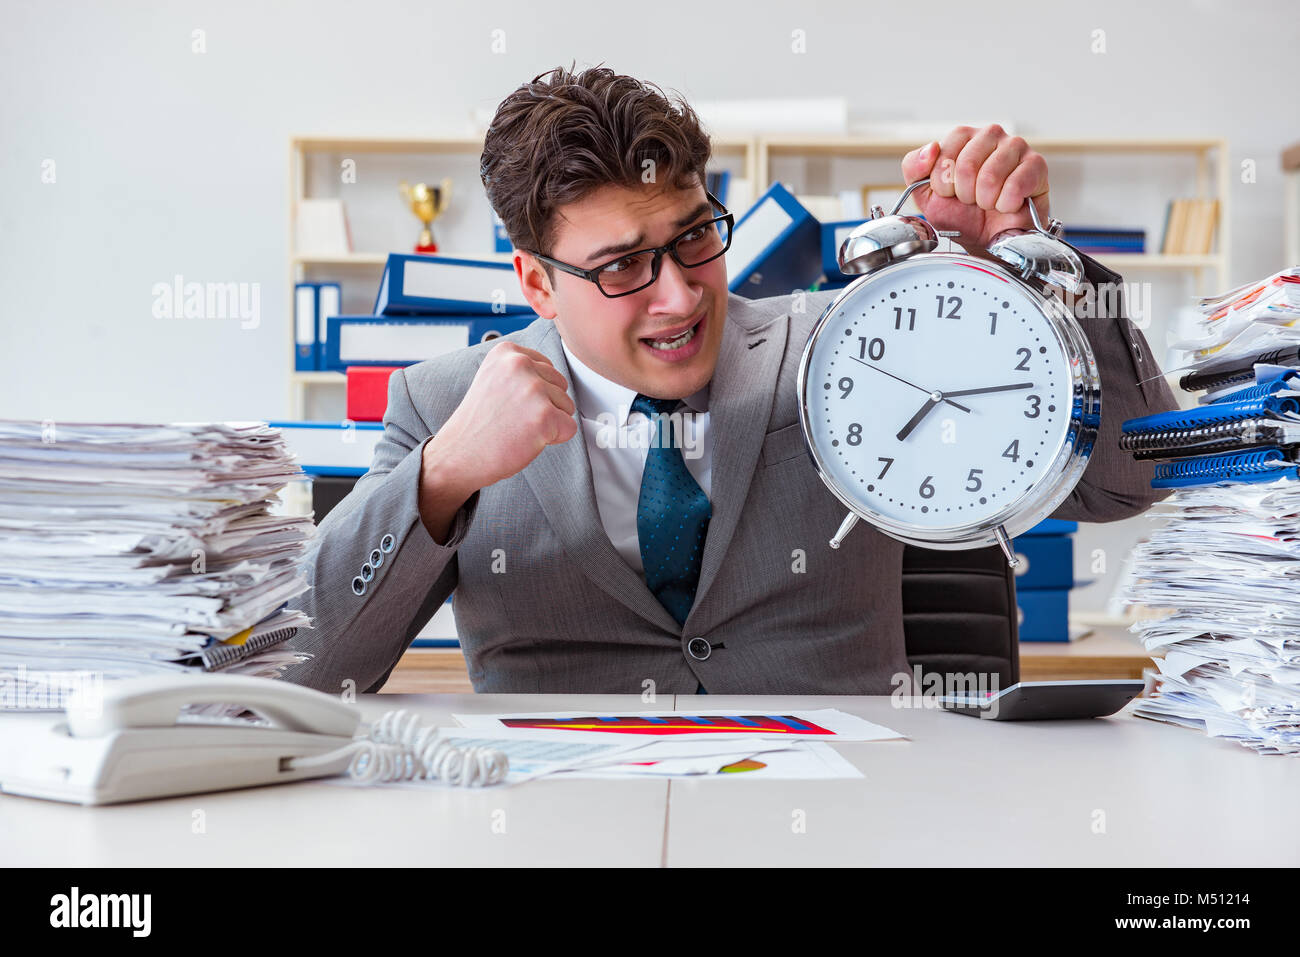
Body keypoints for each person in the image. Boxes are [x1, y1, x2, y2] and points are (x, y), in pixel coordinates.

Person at [282, 65, 1177, 696]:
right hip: (566, 816)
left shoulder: (847, 344)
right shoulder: (441, 405)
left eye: (694, 237)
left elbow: (1136, 477)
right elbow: (311, 669)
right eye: (622, 266)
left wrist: (1030, 270)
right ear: (537, 284)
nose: (678, 296)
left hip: (856, 806)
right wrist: (443, 478)